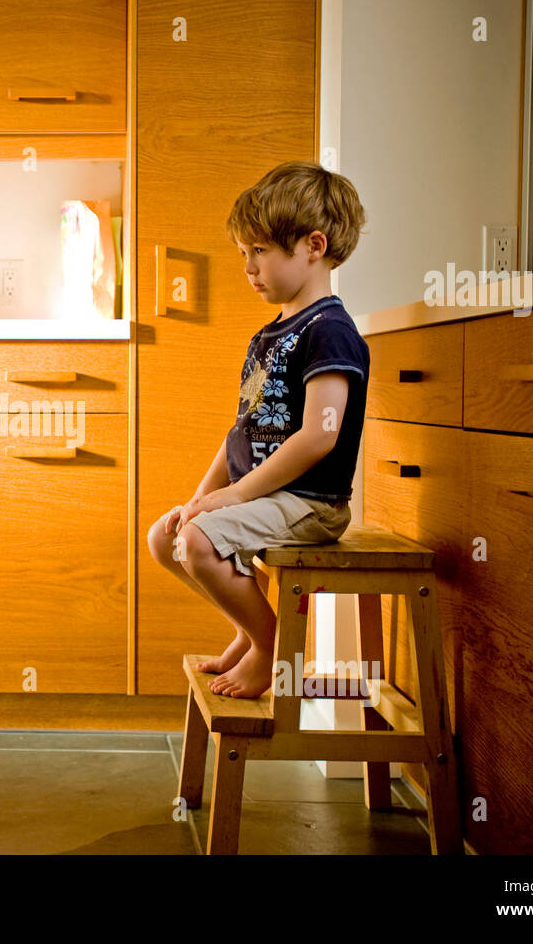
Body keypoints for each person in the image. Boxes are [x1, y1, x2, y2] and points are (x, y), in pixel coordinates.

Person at [146, 160, 369, 698]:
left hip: (310, 502)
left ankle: (270, 648)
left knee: (199, 543)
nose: (248, 267)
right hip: (267, 497)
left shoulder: (329, 331)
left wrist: (236, 495)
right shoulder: (269, 335)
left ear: (313, 246)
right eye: (244, 254)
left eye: (260, 252)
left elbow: (320, 433)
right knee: (167, 536)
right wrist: (204, 497)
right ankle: (248, 633)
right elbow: (241, 431)